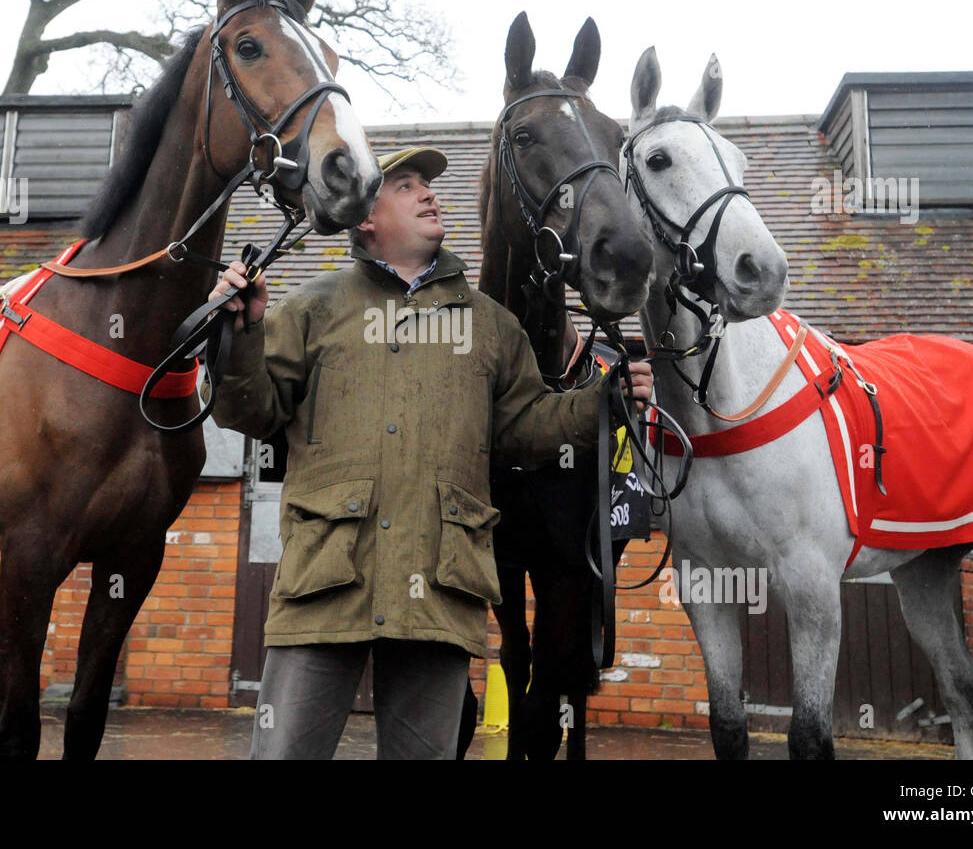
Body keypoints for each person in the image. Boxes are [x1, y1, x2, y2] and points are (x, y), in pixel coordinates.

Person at [209, 146, 653, 759]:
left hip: (439, 592)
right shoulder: (311, 309)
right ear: (365, 217)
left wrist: (604, 401)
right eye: (407, 185)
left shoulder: (491, 325)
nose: (429, 194)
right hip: (325, 581)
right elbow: (249, 411)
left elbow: (526, 425)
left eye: (429, 186)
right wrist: (239, 334)